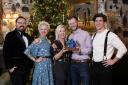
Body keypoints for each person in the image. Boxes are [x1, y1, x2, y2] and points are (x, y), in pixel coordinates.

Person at [92, 13, 127, 85]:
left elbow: (123, 49)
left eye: (100, 21)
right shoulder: (94, 35)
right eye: (96, 21)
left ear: (104, 22)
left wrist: (113, 60)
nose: (98, 23)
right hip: (94, 66)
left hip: (104, 66)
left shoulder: (110, 35)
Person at [3, 16, 33, 85]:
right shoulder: (10, 35)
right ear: (16, 24)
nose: (22, 24)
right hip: (16, 68)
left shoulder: (28, 36)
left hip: (26, 68)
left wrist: (31, 65)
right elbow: (6, 52)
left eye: (24, 23)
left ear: (25, 24)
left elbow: (30, 50)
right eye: (20, 23)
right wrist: (10, 67)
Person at [24, 21, 54, 85]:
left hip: (48, 64)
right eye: (41, 29)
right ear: (39, 30)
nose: (43, 31)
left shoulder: (48, 40)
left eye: (45, 29)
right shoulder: (37, 40)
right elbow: (26, 51)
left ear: (48, 30)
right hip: (40, 65)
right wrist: (35, 59)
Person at [68, 16, 92, 85]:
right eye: (70, 24)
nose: (72, 25)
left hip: (83, 64)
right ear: (69, 25)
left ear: (77, 22)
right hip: (73, 64)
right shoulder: (70, 36)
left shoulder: (86, 34)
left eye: (74, 22)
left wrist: (80, 51)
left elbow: (90, 50)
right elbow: (70, 49)